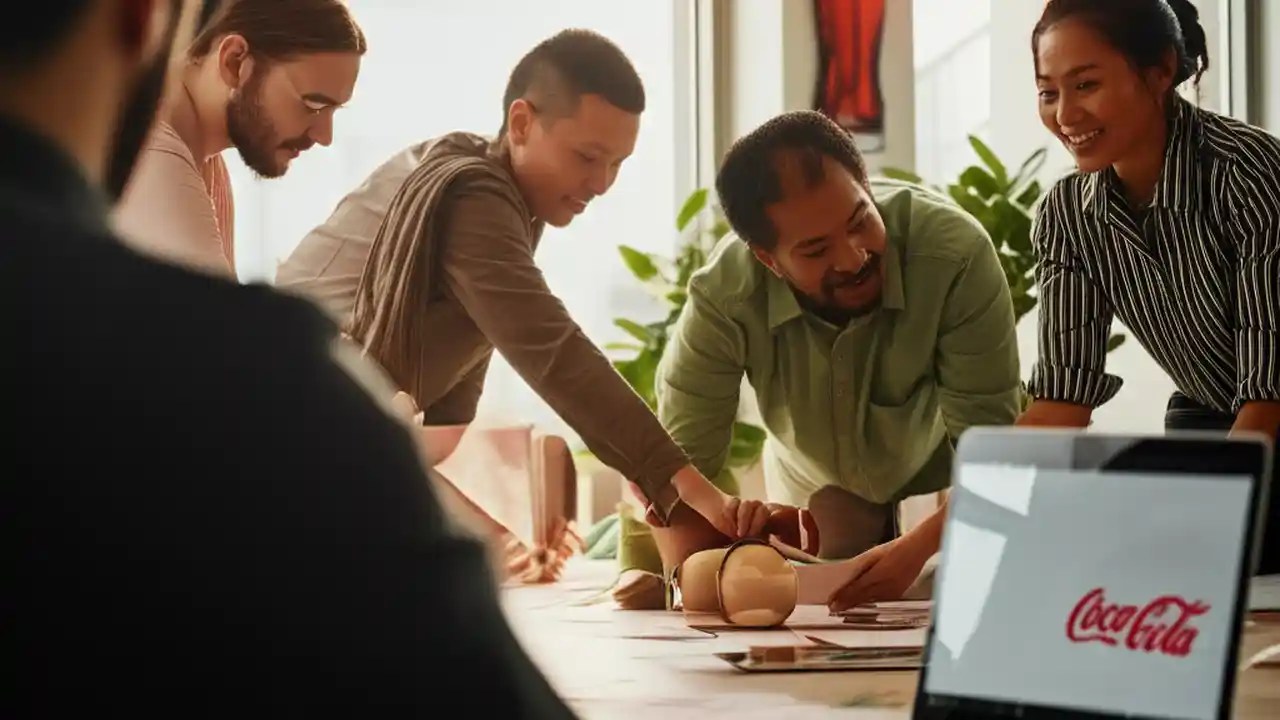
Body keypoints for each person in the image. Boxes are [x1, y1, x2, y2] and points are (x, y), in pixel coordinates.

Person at [3, 0, 574, 714]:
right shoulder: (250, 362)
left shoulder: (201, 193)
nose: (326, 134)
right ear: (142, 18)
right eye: (313, 102)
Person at [275, 29, 774, 551]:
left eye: (617, 164)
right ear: (521, 123)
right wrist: (682, 481)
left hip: (326, 446)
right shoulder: (471, 195)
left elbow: (433, 438)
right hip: (277, 441)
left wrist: (500, 537)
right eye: (587, 157)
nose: (603, 183)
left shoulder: (494, 198)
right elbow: (553, 351)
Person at [616, 109, 1022, 609]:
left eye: (860, 222)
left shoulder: (955, 256)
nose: (852, 259)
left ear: (868, 189)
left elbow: (997, 458)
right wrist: (701, 575)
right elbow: (678, 470)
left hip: (938, 492)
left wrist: (917, 550)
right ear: (768, 260)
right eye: (815, 250)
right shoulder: (724, 297)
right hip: (808, 503)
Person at [1022, 0, 1280, 574]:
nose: (1065, 114)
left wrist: (1184, 535)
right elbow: (1058, 406)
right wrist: (917, 549)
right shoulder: (1069, 216)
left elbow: (1267, 396)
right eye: (1048, 92)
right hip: (1218, 427)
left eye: (1086, 84)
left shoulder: (1249, 174)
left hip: (1263, 423)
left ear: (1161, 72)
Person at [113, 0, 367, 279]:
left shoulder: (207, 165)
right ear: (234, 62)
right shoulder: (157, 162)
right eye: (313, 105)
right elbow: (219, 319)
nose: (324, 136)